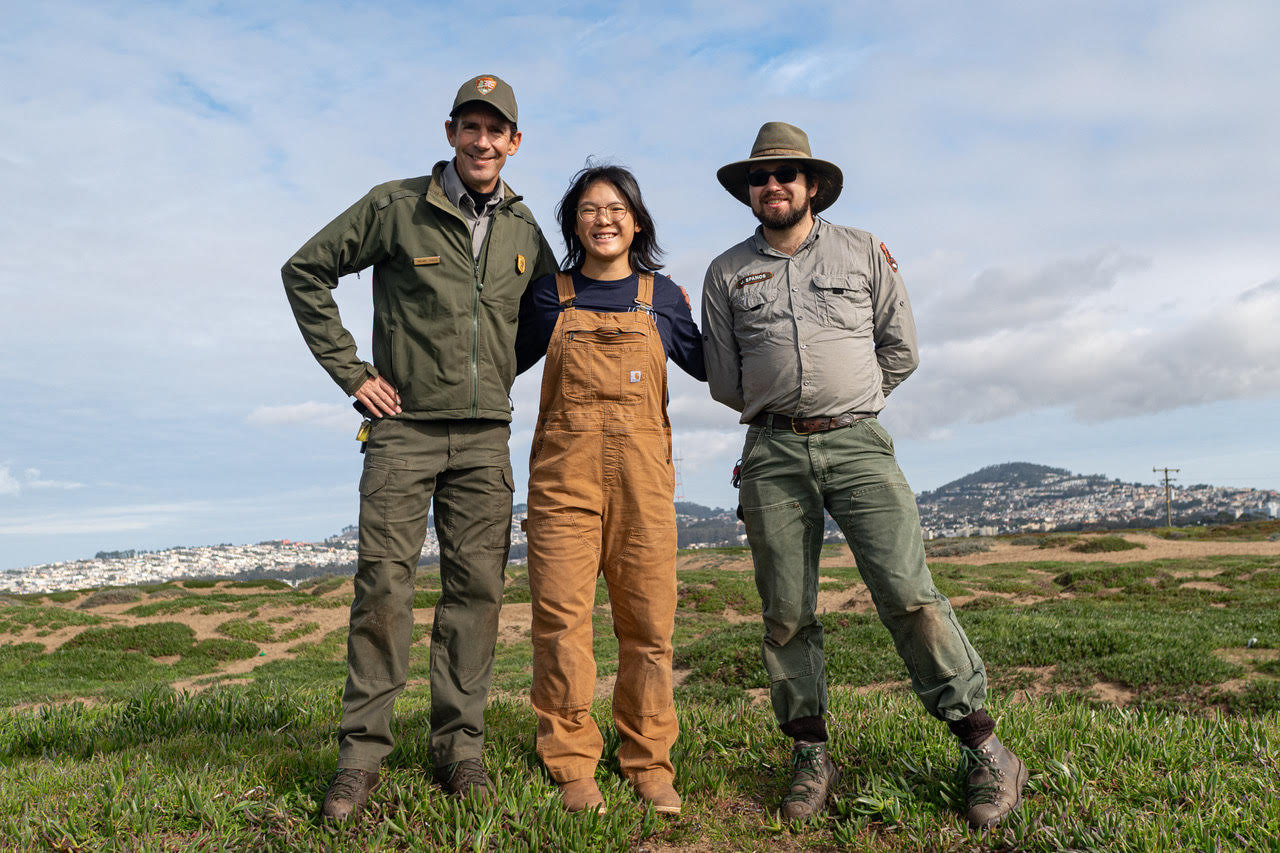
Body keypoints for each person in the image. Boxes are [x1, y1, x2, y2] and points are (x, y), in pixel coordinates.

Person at [700, 122, 1028, 828]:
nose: (773, 185)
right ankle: (811, 753)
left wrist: (842, 402)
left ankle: (986, 750)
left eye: (787, 172)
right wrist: (788, 410)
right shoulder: (726, 272)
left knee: (910, 595)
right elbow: (726, 381)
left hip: (858, 444)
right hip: (771, 451)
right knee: (786, 613)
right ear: (748, 192)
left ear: (811, 184)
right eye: (761, 176)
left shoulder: (863, 250)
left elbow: (900, 348)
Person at [281, 74, 558, 822]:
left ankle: (458, 748)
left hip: (485, 438)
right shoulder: (395, 205)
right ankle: (360, 756)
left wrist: (493, 373)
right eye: (471, 127)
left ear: (514, 142)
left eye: (496, 130)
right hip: (400, 432)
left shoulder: (527, 231)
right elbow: (304, 271)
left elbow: (543, 319)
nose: (483, 141)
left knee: (477, 595)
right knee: (384, 591)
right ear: (450, 133)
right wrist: (355, 373)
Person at [514, 165, 705, 814]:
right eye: (590, 208)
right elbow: (488, 355)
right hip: (562, 488)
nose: (604, 218)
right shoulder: (550, 297)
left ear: (638, 220)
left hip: (644, 489)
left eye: (617, 207)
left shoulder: (664, 299)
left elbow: (719, 363)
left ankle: (649, 762)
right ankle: (572, 765)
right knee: (562, 626)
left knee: (649, 627)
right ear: (574, 223)